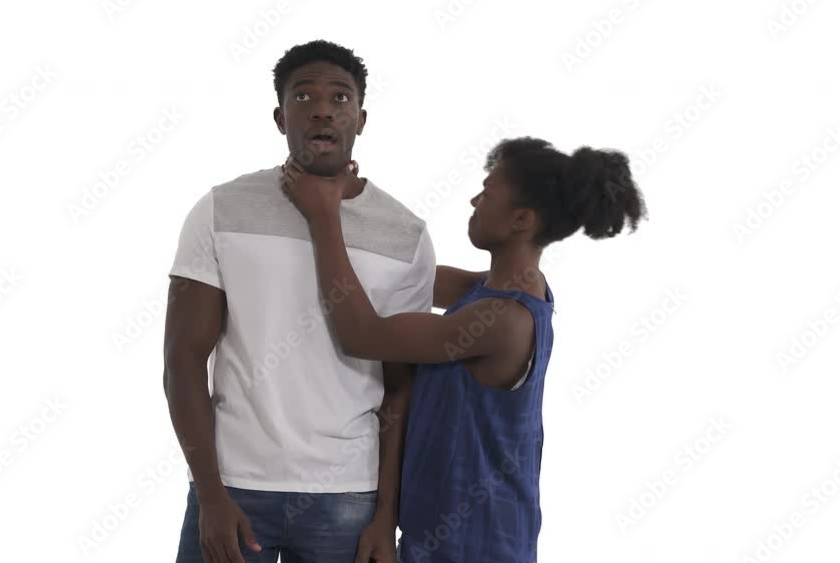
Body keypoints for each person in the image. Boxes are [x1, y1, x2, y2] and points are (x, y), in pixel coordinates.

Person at [280, 136, 648, 562]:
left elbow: (361, 335)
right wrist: (357, 208)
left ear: (520, 220)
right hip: (448, 536)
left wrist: (324, 218)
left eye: (488, 192)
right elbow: (401, 278)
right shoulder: (502, 290)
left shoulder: (501, 319)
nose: (474, 200)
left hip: (475, 545)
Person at [164, 40, 435, 563]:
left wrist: (386, 514)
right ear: (280, 115)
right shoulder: (221, 210)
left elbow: (402, 387)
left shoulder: (406, 234)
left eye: (340, 97)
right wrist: (210, 496)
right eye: (304, 95)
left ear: (360, 117)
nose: (322, 108)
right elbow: (181, 360)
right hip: (235, 487)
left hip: (349, 498)